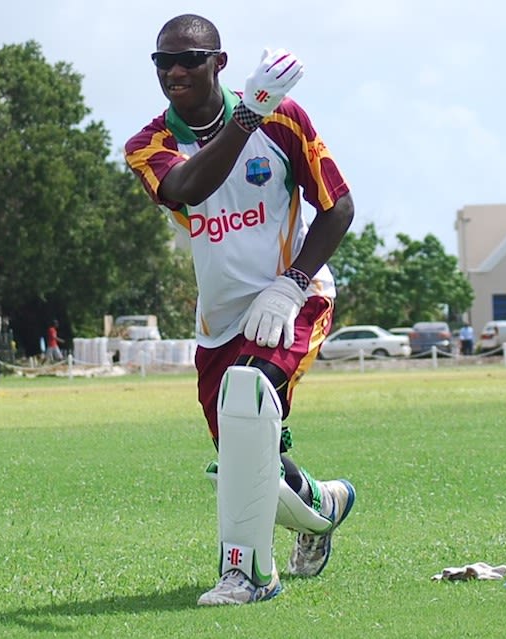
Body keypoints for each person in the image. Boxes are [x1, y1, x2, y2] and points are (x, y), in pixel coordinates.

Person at [125, 14, 356, 606]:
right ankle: (324, 505)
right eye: (163, 61)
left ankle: (249, 574)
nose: (174, 71)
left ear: (219, 62)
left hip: (295, 296)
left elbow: (338, 208)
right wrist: (248, 114)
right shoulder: (148, 145)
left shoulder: (284, 118)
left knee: (249, 396)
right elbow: (189, 188)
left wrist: (292, 284)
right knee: (247, 464)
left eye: (189, 59)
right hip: (219, 323)